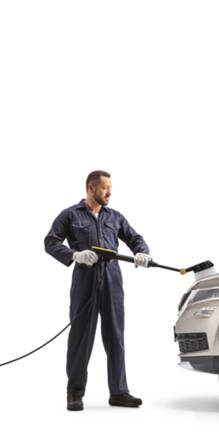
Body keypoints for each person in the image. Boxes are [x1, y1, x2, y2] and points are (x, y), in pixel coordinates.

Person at [43, 170, 152, 411]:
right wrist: (74, 255)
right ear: (91, 188)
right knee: (81, 337)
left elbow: (135, 238)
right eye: (105, 188)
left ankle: (119, 392)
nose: (109, 193)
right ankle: (74, 393)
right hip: (85, 279)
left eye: (110, 188)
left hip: (112, 280)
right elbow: (50, 242)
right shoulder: (70, 215)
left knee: (115, 336)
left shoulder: (115, 217)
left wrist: (141, 252)